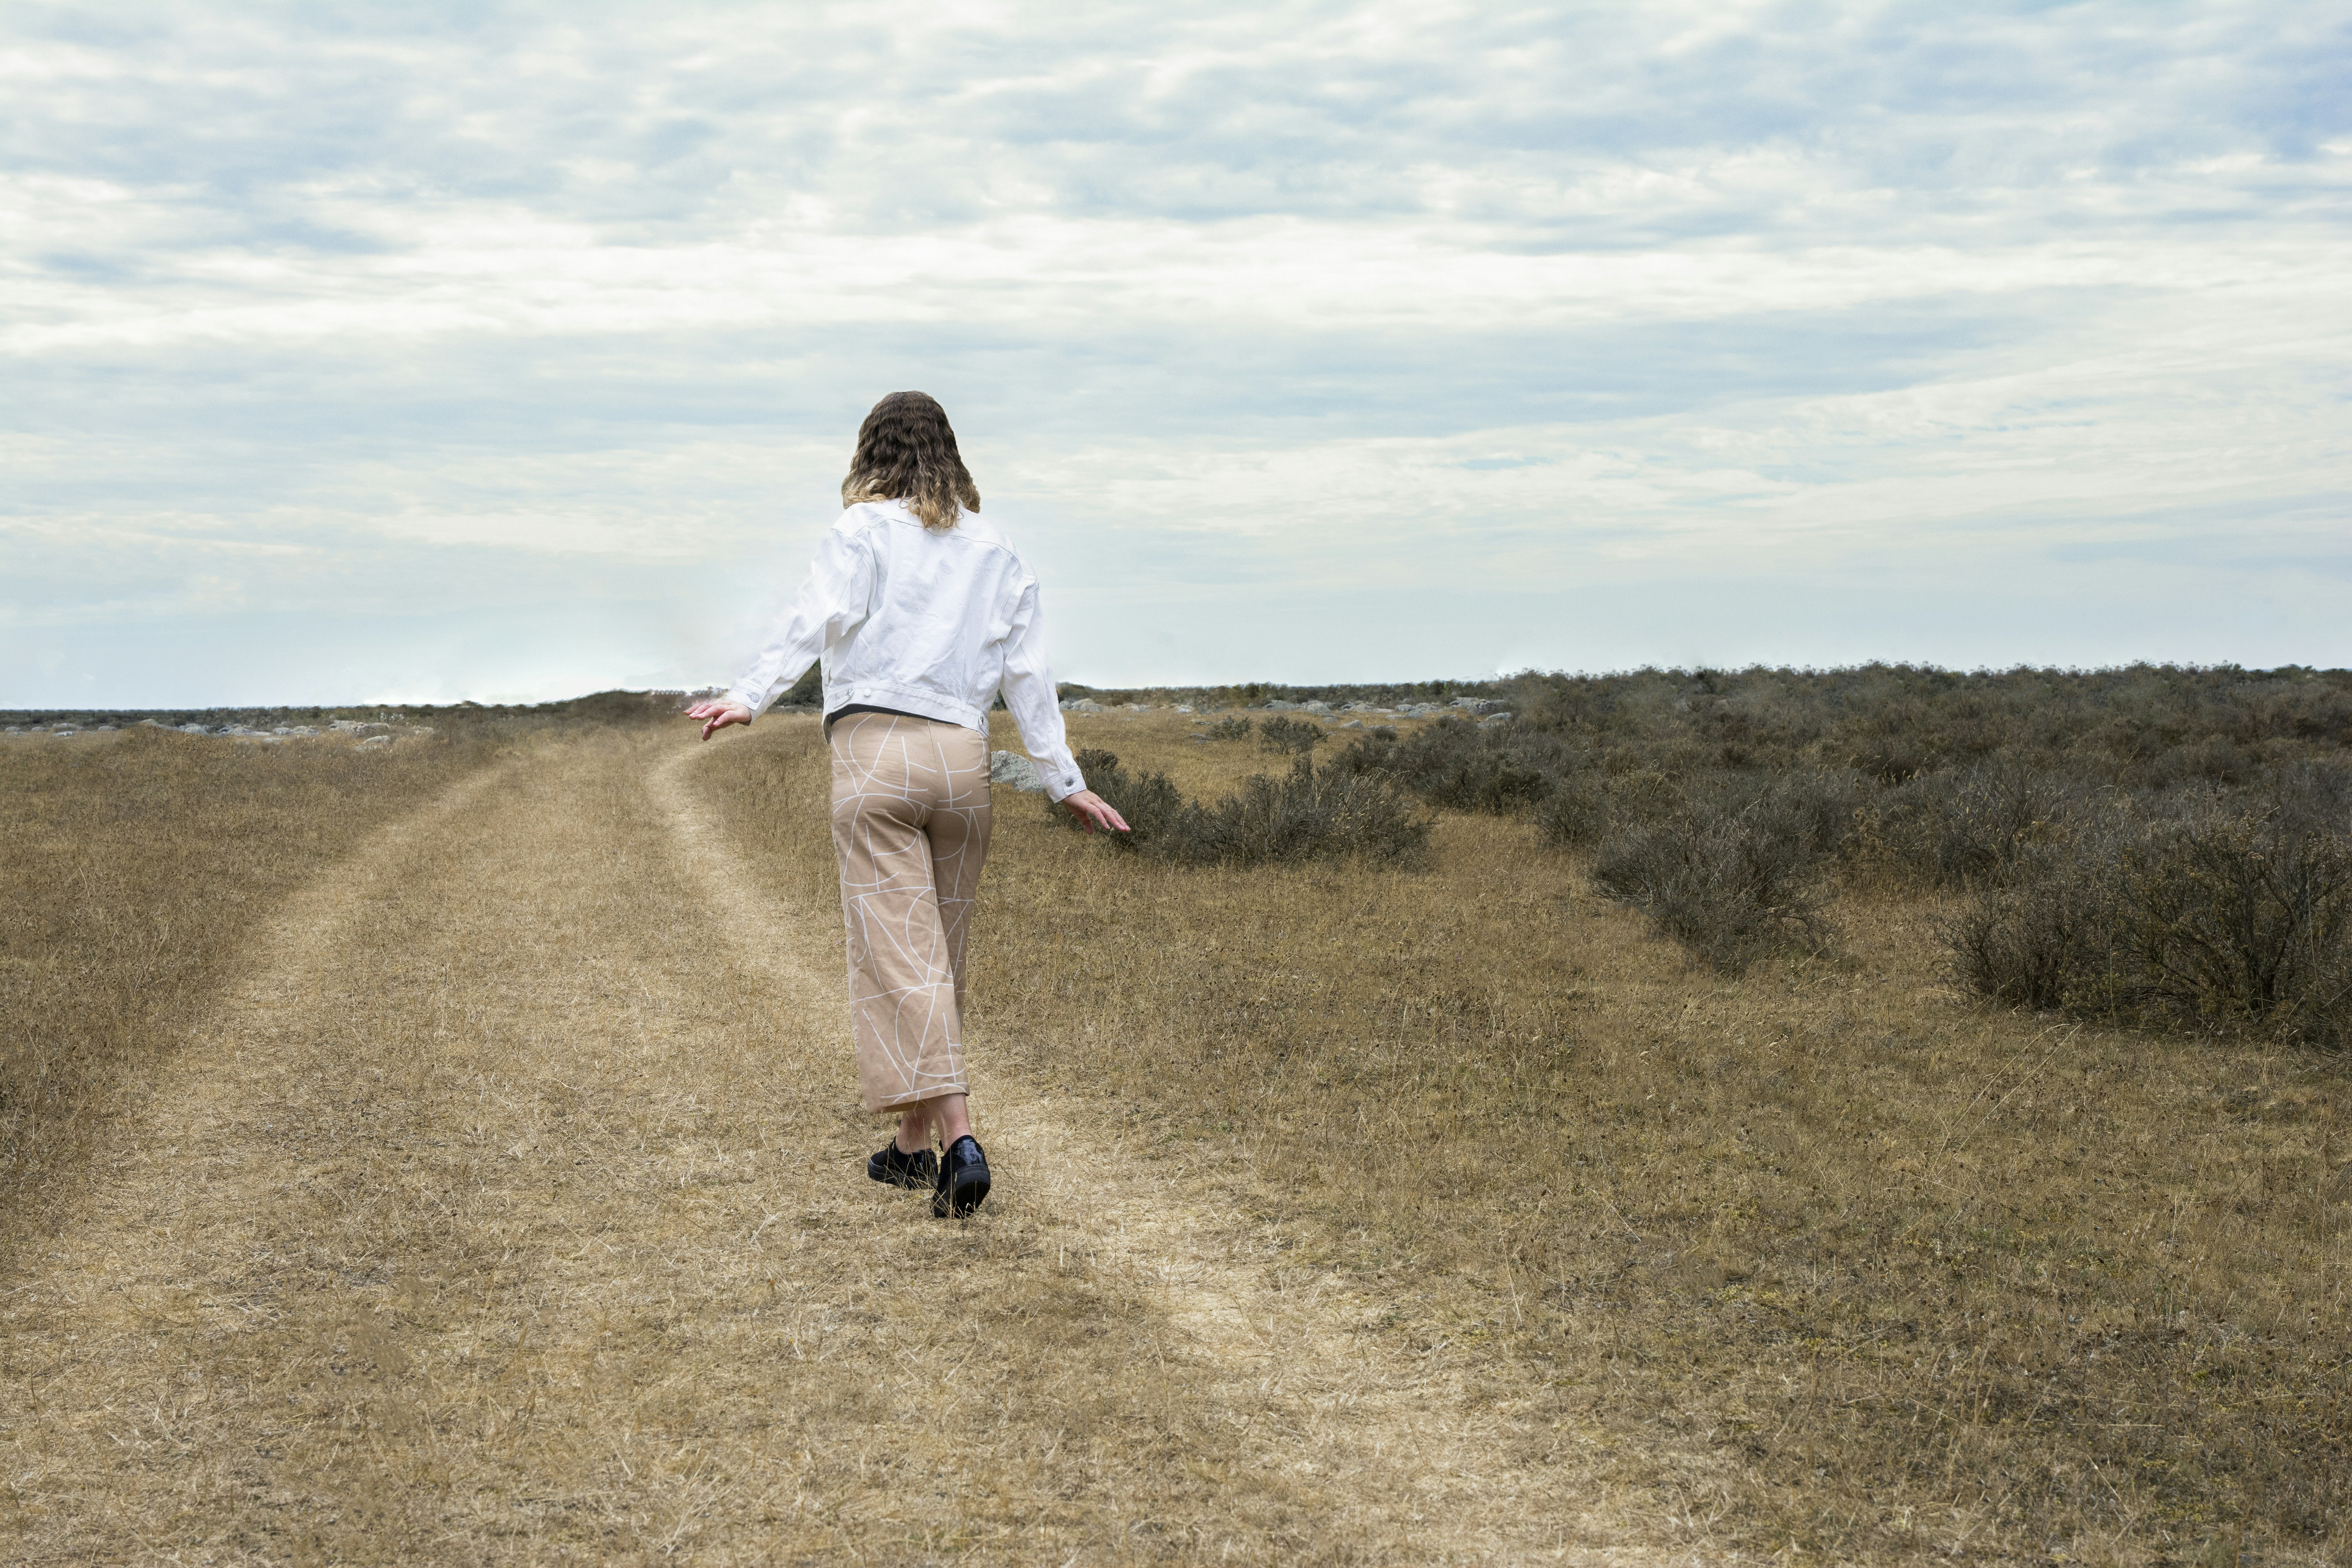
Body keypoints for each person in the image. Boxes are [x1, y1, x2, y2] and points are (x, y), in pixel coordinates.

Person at [687, 392, 1129, 1218]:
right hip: (963, 762)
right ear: (951, 454)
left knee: (900, 953)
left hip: (877, 754)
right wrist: (1063, 778)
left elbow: (813, 619)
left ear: (872, 451)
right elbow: (1028, 675)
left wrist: (750, 694)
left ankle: (960, 1136)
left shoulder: (861, 531)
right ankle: (910, 1150)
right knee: (938, 956)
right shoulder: (999, 550)